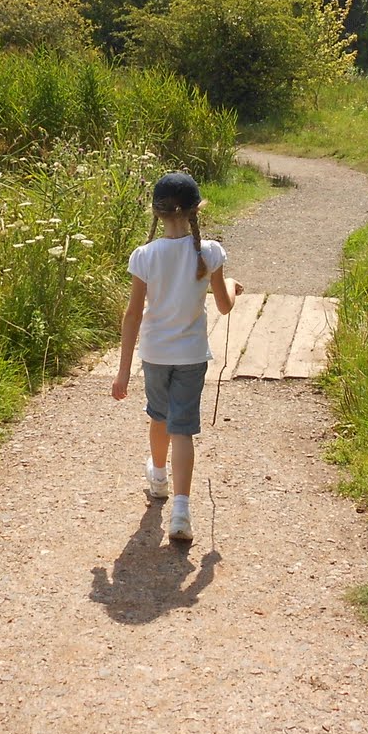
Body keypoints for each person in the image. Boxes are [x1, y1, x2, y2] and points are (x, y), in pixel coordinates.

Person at [111, 171, 242, 542]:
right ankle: (181, 513)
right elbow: (224, 305)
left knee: (159, 416)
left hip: (155, 354)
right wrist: (231, 286)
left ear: (156, 212)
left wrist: (123, 372)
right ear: (197, 209)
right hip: (191, 355)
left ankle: (158, 477)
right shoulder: (209, 252)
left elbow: (132, 315)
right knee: (182, 429)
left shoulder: (144, 256)